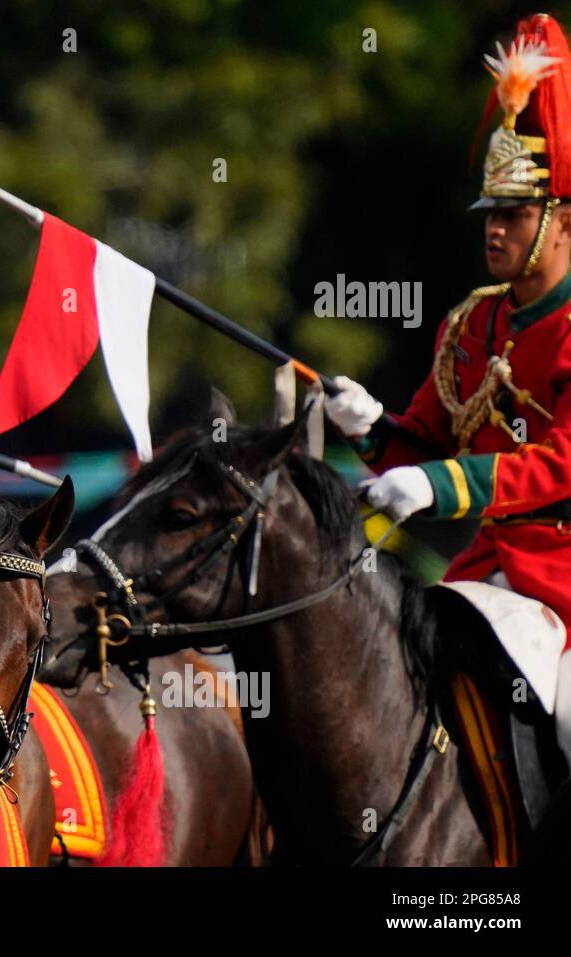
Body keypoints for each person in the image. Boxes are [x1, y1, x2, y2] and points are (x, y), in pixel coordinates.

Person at [325, 13, 571, 765]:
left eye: (513, 214)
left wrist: (438, 482)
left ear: (561, 221)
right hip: (479, 577)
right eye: (489, 215)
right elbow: (424, 451)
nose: (492, 230)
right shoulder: (470, 328)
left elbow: (561, 464)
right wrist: (369, 429)